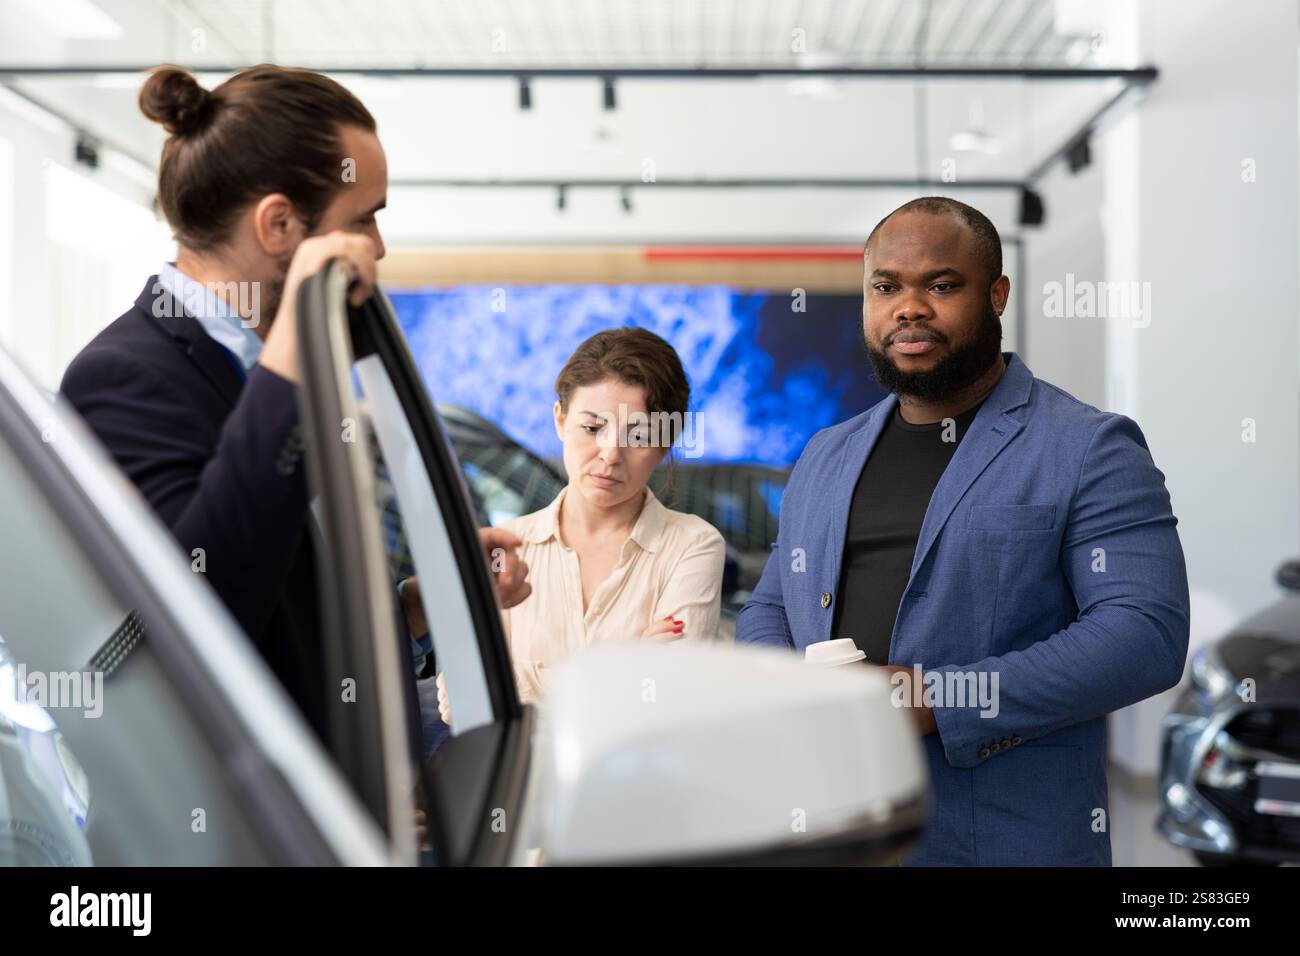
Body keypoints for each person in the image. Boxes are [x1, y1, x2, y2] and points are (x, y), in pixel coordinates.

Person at [59, 65, 529, 741]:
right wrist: (295, 351)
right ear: (278, 224)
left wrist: (413, 612)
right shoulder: (124, 377)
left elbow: (284, 626)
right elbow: (196, 622)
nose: (377, 247)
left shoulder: (265, 371)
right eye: (362, 219)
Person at [736, 197, 1190, 866]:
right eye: (886, 287)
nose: (909, 308)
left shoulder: (1088, 446)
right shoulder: (825, 454)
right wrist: (793, 691)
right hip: (832, 827)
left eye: (941, 285)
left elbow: (1144, 635)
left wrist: (936, 699)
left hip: (1001, 841)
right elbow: (772, 604)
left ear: (997, 295)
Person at [440, 327, 725, 719]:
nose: (610, 454)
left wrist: (518, 680)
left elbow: (673, 698)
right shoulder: (504, 547)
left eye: (639, 436)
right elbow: (459, 697)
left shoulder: (692, 545)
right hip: (517, 760)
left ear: (665, 443)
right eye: (592, 428)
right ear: (560, 420)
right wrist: (629, 672)